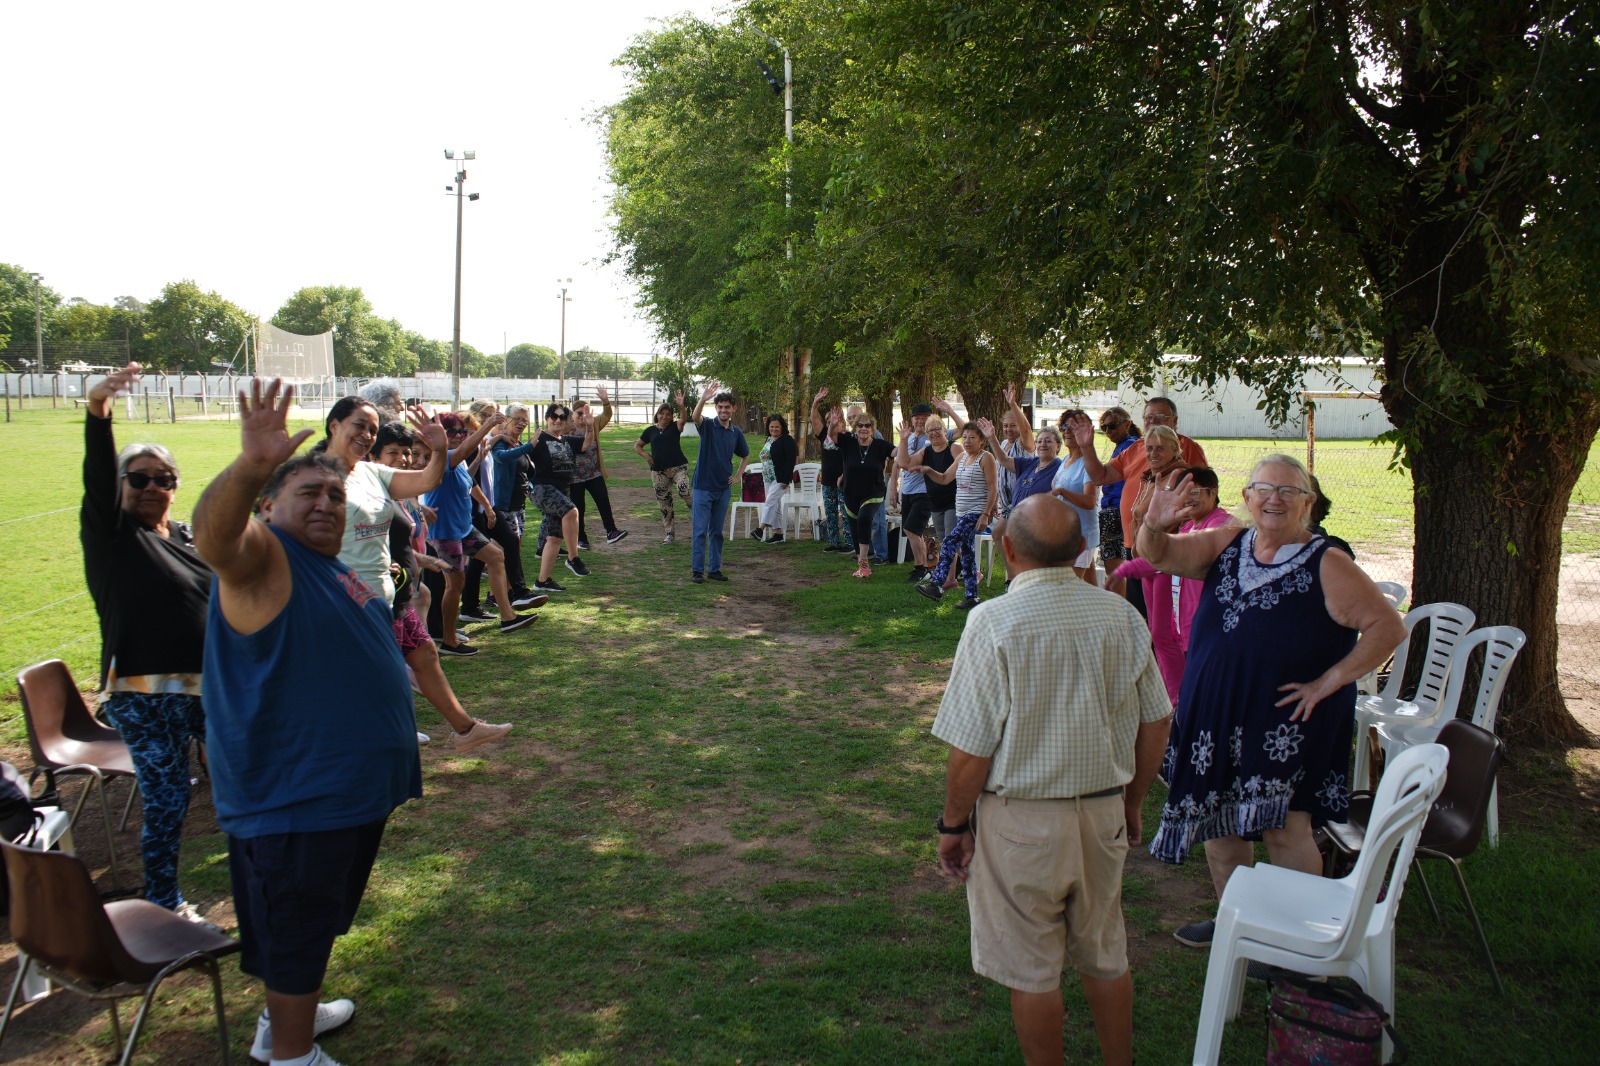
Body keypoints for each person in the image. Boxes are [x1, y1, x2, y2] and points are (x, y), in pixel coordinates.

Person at [194, 378, 421, 1066]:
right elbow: (214, 539)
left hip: (347, 790)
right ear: (268, 507)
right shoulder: (261, 557)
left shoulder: (332, 569)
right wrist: (250, 467)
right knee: (295, 922)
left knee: (311, 920)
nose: (326, 503)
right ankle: (290, 1056)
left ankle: (284, 1021)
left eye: (334, 495)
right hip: (297, 797)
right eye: (308, 494)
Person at [931, 495, 1172, 1066]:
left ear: (1008, 550)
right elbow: (1157, 719)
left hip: (1021, 821)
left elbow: (970, 750)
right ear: (1079, 551)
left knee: (1033, 968)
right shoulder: (1121, 614)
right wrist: (1133, 800)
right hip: (1102, 811)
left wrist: (953, 823)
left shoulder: (992, 621)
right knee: (1106, 953)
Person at [1135, 455, 1405, 955]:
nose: (1275, 498)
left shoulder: (1329, 561)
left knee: (1285, 829)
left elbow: (1388, 626)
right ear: (1248, 496)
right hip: (1215, 715)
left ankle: (1297, 937)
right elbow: (1158, 555)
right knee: (1219, 826)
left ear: (1309, 503)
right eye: (1264, 488)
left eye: (1289, 491)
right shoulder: (1228, 544)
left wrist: (1333, 679)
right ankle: (1237, 922)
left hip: (1287, 722)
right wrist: (1154, 520)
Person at [79, 362, 214, 924]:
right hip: (142, 694)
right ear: (120, 487)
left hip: (208, 689)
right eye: (139, 478)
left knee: (256, 765)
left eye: (164, 478)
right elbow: (94, 475)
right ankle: (163, 901)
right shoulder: (113, 536)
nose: (153, 487)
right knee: (167, 799)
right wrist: (98, 411)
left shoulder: (185, 537)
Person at [369, 421, 519, 751]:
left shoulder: (395, 489)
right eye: (394, 453)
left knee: (422, 654)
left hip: (400, 592)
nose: (405, 459)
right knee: (381, 670)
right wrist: (489, 430)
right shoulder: (365, 490)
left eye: (408, 453)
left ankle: (464, 729)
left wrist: (419, 558)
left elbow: (455, 475)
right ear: (372, 456)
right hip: (371, 599)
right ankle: (390, 729)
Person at [1108, 466, 1232, 704]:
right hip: (1187, 628)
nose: (1189, 499)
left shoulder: (1221, 526)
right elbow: (1157, 559)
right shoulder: (1188, 526)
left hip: (1207, 630)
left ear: (1213, 493)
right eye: (1184, 493)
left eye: (1196, 493)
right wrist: (1124, 570)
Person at [914, 422, 997, 608]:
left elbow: (993, 487)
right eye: (965, 437)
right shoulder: (961, 457)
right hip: (961, 512)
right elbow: (944, 478)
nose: (967, 441)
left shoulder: (986, 458)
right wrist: (927, 470)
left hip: (976, 513)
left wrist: (985, 513)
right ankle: (972, 597)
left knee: (950, 542)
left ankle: (937, 584)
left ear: (982, 441)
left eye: (972, 437)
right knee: (967, 554)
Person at [976, 419, 1066, 584]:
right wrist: (991, 438)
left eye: (1048, 441)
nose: (1042, 444)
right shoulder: (1031, 463)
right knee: (998, 533)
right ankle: (1013, 577)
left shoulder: (1059, 467)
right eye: (1039, 441)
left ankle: (1028, 581)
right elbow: (1003, 460)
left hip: (1037, 518)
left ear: (1058, 446)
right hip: (1015, 511)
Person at [527, 402, 594, 593]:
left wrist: (590, 426)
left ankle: (542, 581)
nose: (558, 420)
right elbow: (521, 455)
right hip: (543, 489)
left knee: (554, 538)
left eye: (562, 417)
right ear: (547, 419)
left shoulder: (567, 440)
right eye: (554, 417)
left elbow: (587, 443)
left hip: (561, 491)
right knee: (572, 511)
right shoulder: (539, 440)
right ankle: (573, 558)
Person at [688, 383, 749, 583]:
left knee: (716, 532)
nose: (723, 410)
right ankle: (697, 571)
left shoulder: (736, 433)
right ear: (716, 409)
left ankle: (714, 569)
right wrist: (703, 398)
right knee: (699, 532)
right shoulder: (707, 426)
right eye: (720, 407)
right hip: (703, 488)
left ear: (734, 409)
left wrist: (738, 476)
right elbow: (695, 417)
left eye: (727, 407)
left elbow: (745, 456)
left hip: (723, 490)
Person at [837, 411, 895, 579]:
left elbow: (896, 454)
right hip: (851, 492)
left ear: (872, 428)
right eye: (860, 425)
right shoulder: (848, 443)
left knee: (864, 518)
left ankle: (866, 561)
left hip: (874, 492)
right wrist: (819, 409)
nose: (864, 428)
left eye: (867, 425)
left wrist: (904, 440)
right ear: (855, 429)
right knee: (855, 527)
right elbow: (827, 435)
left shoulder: (880, 445)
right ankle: (862, 562)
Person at [570, 387, 629, 547]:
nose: (583, 416)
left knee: (603, 500)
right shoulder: (568, 429)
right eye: (579, 413)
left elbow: (607, 415)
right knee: (579, 508)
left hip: (594, 473)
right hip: (574, 478)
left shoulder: (594, 423)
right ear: (573, 417)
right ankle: (581, 539)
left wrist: (605, 401)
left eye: (585, 412)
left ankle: (611, 531)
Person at [1093, 408, 1140, 596]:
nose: (1109, 431)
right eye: (1104, 427)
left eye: (1112, 425)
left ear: (1127, 424)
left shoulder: (1130, 446)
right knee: (1116, 565)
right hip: (1114, 509)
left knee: (1116, 568)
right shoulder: (1123, 445)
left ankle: (1122, 607)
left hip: (1118, 510)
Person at [1050, 414, 1101, 585]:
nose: (1068, 432)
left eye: (1074, 427)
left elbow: (1089, 501)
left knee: (1069, 585)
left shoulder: (1088, 463)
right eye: (1065, 427)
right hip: (1066, 532)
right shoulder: (1065, 460)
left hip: (1082, 534)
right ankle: (1100, 611)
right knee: (1089, 585)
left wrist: (1063, 492)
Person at [636, 392, 692, 544]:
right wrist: (647, 456)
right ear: (657, 415)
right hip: (659, 471)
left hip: (678, 468)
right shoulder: (650, 431)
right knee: (664, 504)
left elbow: (684, 419)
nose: (665, 416)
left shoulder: (675, 427)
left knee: (684, 490)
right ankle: (670, 533)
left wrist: (681, 405)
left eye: (668, 414)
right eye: (662, 413)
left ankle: (698, 513)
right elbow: (638, 446)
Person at [888, 403, 934, 574]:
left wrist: (949, 410)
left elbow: (960, 431)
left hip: (925, 492)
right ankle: (924, 567)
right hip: (907, 491)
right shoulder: (909, 436)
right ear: (912, 419)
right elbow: (897, 464)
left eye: (925, 417)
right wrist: (893, 489)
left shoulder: (935, 437)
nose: (920, 421)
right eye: (917, 417)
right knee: (915, 531)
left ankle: (920, 568)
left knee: (911, 529)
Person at [808, 388, 852, 553]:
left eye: (836, 419)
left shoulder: (848, 437)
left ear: (842, 422)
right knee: (831, 513)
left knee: (846, 513)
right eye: (829, 420)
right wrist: (815, 404)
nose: (832, 422)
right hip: (827, 482)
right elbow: (814, 420)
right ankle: (835, 542)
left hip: (845, 481)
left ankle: (849, 543)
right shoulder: (824, 436)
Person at [992, 384, 1037, 517]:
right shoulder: (1004, 443)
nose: (1008, 429)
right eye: (1005, 426)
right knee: (998, 535)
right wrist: (995, 500)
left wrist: (1013, 405)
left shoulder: (1023, 444)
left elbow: (1026, 430)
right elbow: (999, 475)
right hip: (1005, 506)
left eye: (1013, 426)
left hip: (1022, 505)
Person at [753, 413, 798, 543]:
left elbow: (790, 461)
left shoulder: (787, 440)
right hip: (767, 477)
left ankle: (760, 529)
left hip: (780, 478)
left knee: (770, 501)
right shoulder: (768, 439)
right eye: (772, 427)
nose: (774, 429)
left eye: (777, 427)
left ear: (782, 427)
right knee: (775, 505)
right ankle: (778, 534)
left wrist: (786, 479)